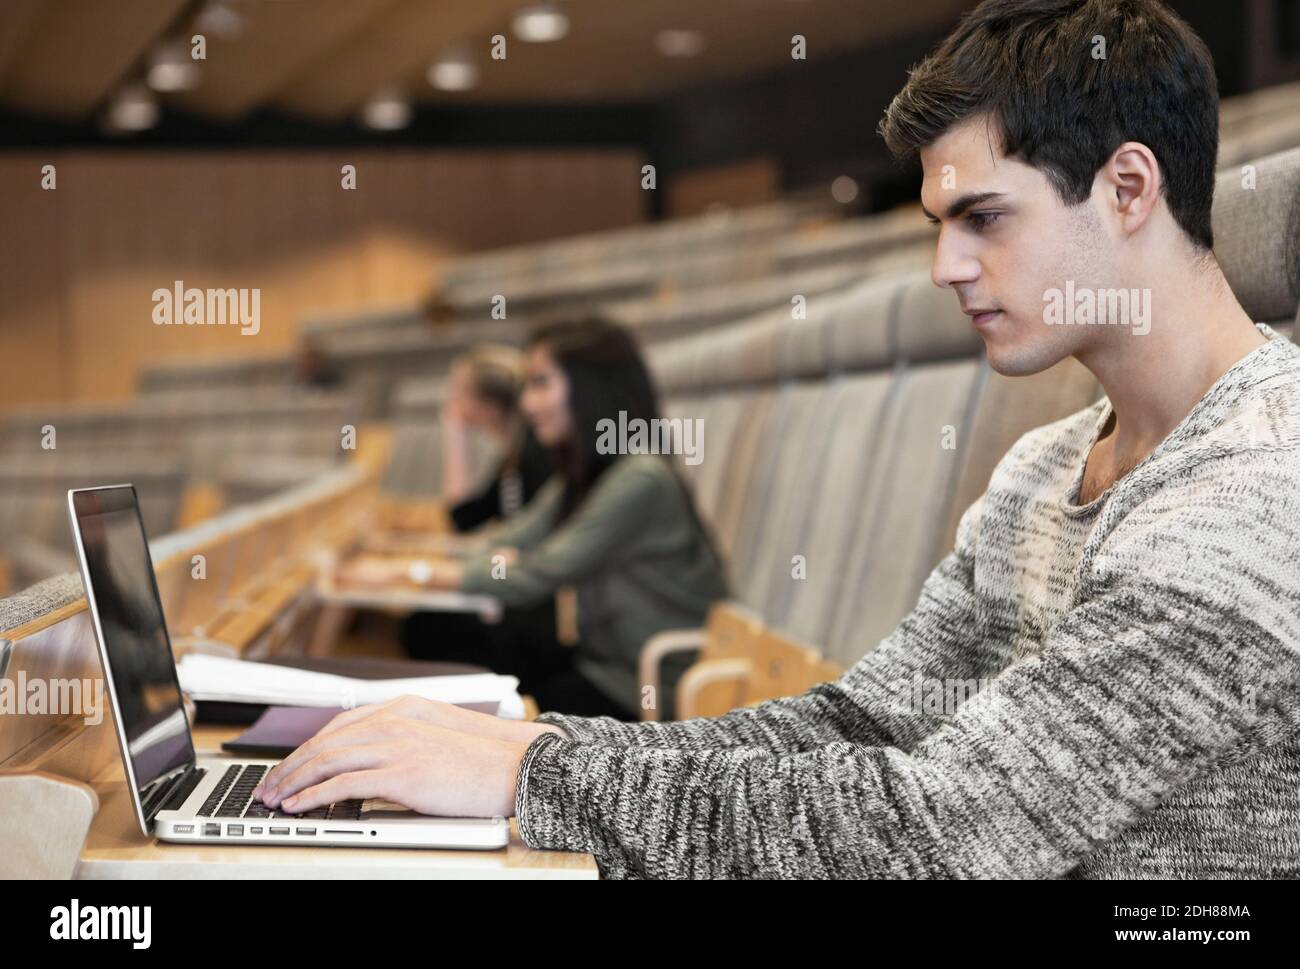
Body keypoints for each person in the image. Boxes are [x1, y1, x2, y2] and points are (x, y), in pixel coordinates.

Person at [256, 0, 1300, 878]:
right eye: (938, 223)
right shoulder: (1038, 469)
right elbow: (859, 724)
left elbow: (946, 833)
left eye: (983, 217)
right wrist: (532, 747)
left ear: (1127, 189)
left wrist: (531, 779)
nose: (944, 266)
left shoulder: (1258, 480)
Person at [353, 316, 729, 719]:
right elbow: (512, 539)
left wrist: (416, 574)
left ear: (590, 387)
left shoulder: (641, 478)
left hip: (643, 687)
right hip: (598, 663)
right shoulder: (585, 475)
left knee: (461, 667)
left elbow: (539, 572)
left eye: (541, 383)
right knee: (438, 632)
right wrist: (408, 566)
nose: (528, 403)